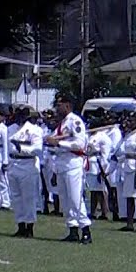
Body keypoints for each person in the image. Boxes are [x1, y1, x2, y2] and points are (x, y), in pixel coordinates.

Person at [44, 94, 91, 244]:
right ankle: (72, 229)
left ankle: (85, 230)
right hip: (61, 163)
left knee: (75, 198)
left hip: (73, 163)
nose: (57, 108)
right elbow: (52, 140)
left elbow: (79, 144)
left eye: (59, 105)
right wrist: (49, 141)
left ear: (67, 106)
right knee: (65, 199)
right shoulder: (62, 123)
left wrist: (59, 144)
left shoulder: (75, 121)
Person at [6, 105, 45, 238]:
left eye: (22, 116)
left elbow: (37, 149)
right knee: (16, 197)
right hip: (13, 163)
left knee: (28, 197)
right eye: (18, 115)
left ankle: (30, 227)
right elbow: (8, 148)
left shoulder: (35, 130)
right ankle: (20, 225)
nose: (19, 118)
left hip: (27, 164)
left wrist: (22, 149)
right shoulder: (10, 129)